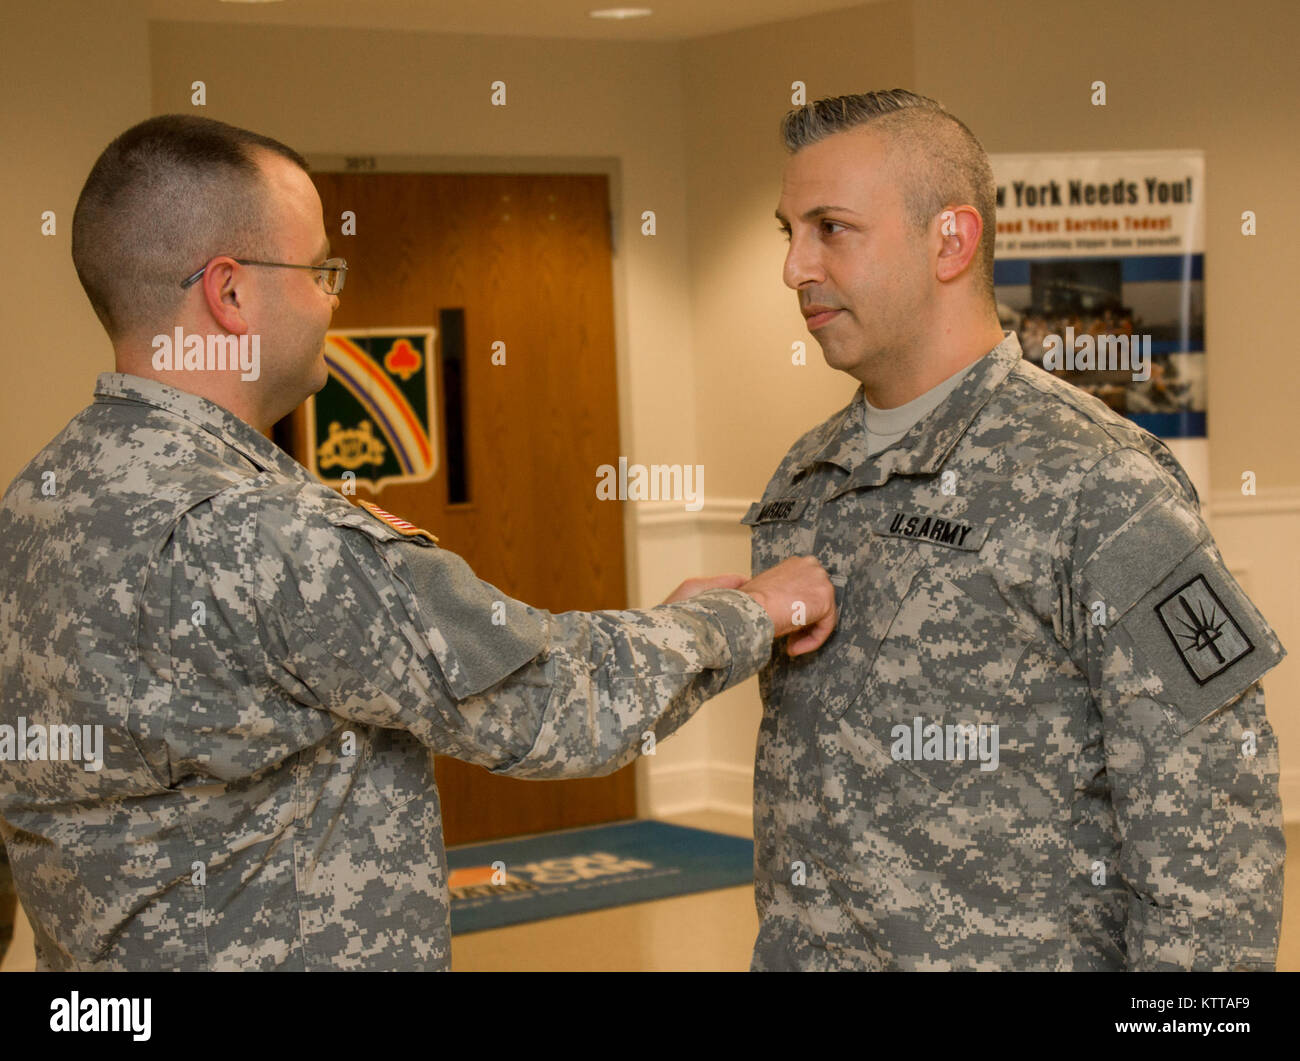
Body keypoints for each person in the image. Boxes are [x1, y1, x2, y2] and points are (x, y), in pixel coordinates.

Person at [0, 114, 836, 971]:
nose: (334, 296)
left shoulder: (32, 509)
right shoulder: (273, 535)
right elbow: (553, 702)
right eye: (321, 268)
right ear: (231, 292)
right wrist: (746, 613)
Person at [748, 90, 1285, 971]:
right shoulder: (804, 483)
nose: (795, 266)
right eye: (788, 232)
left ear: (950, 241)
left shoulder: (1099, 478)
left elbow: (1212, 814)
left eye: (831, 228)